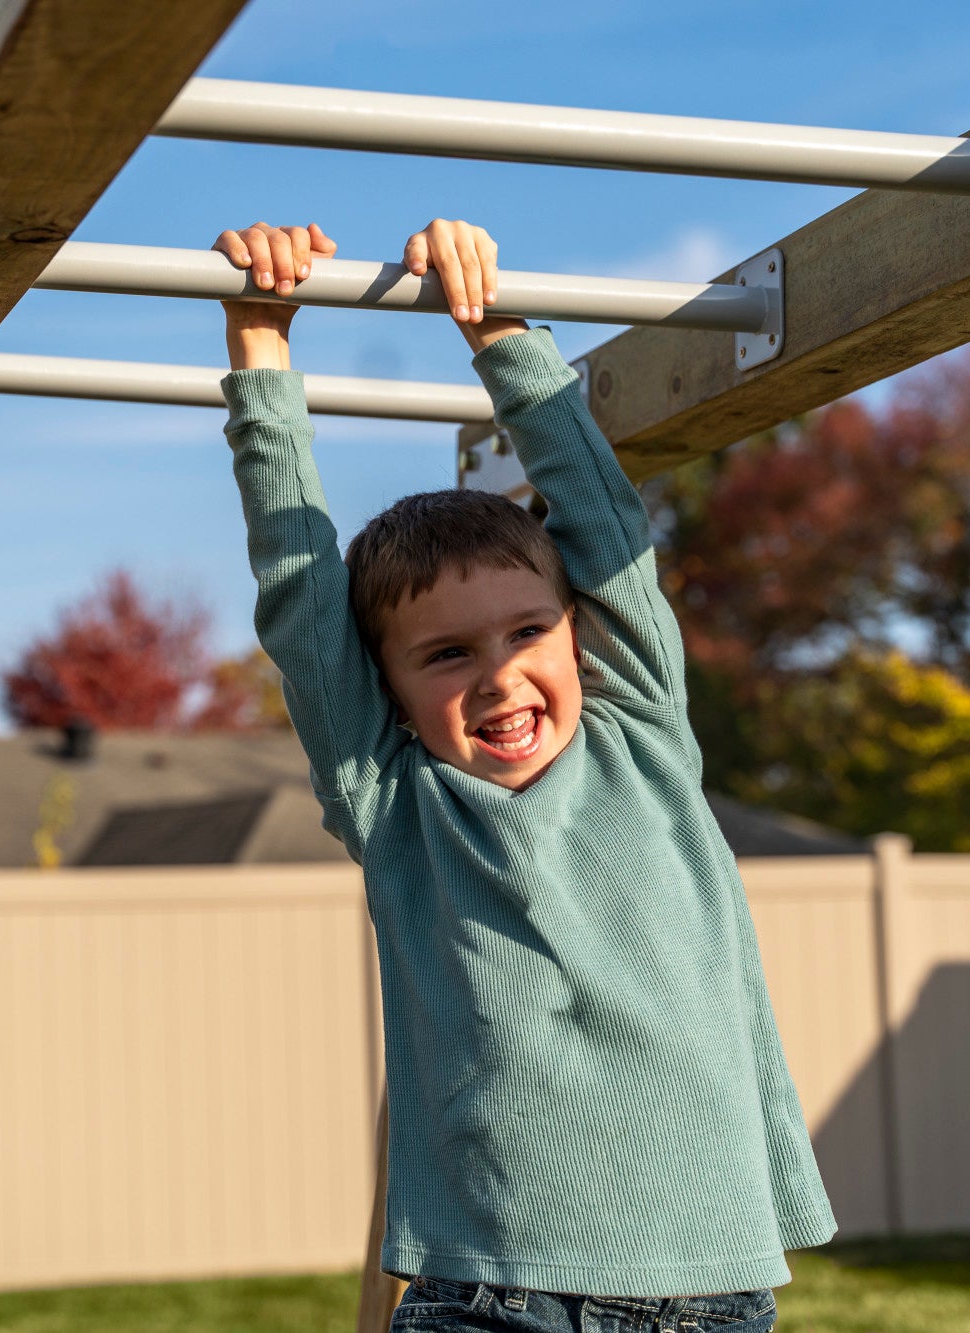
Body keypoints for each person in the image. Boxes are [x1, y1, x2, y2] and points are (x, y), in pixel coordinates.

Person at [214, 217, 834, 1333]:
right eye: (448, 654)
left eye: (525, 633)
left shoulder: (640, 731)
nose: (500, 677)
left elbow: (599, 513)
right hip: (492, 1295)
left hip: (709, 1289)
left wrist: (497, 328)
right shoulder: (396, 802)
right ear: (388, 688)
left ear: (574, 632)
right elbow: (300, 598)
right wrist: (262, 347)